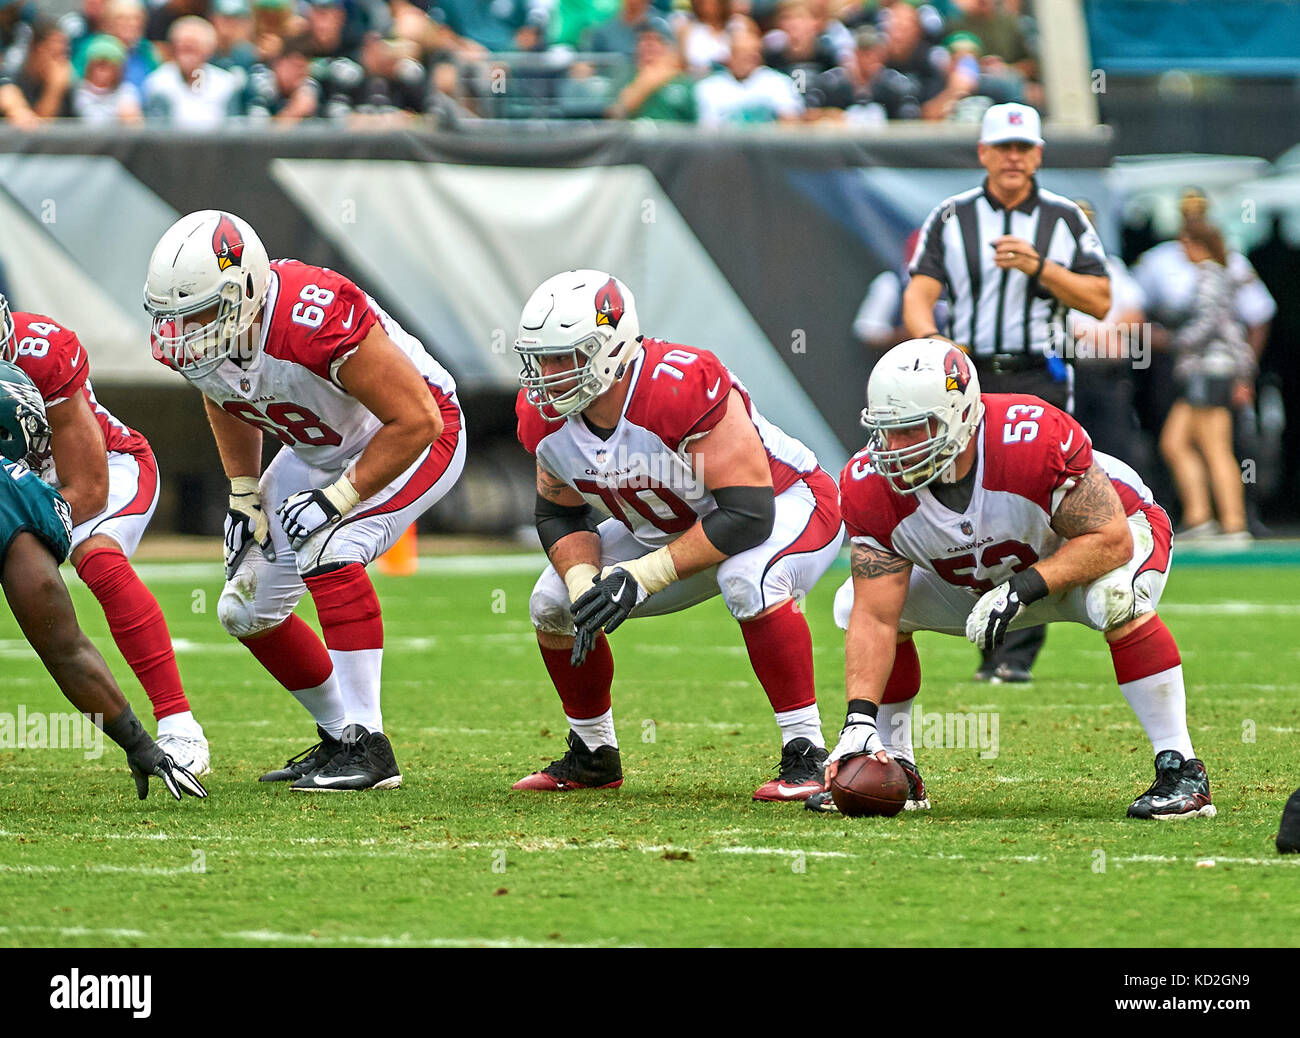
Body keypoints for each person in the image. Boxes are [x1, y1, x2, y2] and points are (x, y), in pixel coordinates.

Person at [807, 338, 1214, 820]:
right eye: (888, 432)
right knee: (851, 602)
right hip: (986, 579)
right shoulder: (869, 483)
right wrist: (858, 718)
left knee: (1115, 598)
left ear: (959, 416)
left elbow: (1111, 540)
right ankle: (895, 761)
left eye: (914, 429)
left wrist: (1023, 589)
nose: (896, 449)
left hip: (1097, 545)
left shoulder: (1030, 436)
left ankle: (1180, 767)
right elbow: (876, 614)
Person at [143, 210, 465, 791]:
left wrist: (339, 497)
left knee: (330, 547)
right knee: (244, 609)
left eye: (202, 316)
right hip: (318, 448)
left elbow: (416, 417)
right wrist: (244, 490)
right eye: (178, 319)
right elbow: (223, 393)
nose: (188, 334)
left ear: (245, 291)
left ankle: (370, 749)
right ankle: (340, 735)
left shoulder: (312, 315)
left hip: (417, 433)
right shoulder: (210, 340)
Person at [512, 270, 843, 801]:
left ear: (612, 347)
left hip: (786, 501)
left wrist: (642, 576)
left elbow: (747, 513)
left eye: (563, 357)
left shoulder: (680, 385)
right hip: (668, 524)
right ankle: (594, 754)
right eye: (540, 358)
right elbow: (560, 515)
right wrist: (582, 584)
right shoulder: (543, 417)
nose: (547, 375)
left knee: (747, 579)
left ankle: (806, 752)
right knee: (552, 603)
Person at [903, 101, 1110, 684]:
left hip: (1037, 372)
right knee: (963, 496)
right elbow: (919, 294)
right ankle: (974, 625)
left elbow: (1099, 299)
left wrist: (1040, 266)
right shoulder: (952, 216)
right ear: (984, 153)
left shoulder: (1065, 218)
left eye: (1024, 148)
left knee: (1036, 505)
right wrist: (934, 345)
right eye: (1003, 148)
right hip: (964, 373)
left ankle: (1015, 651)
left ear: (1039, 154)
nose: (1014, 158)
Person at [4, 291, 211, 770]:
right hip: (14, 486)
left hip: (102, 470)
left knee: (97, 559)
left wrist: (20, 532)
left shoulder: (41, 353)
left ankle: (180, 727)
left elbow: (89, 488)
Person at [1157, 220, 1254, 542]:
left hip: (1209, 369)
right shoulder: (1222, 274)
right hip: (1208, 369)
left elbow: (1209, 323)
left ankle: (1233, 523)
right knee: (1175, 442)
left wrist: (1171, 340)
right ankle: (1200, 516)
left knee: (1215, 446)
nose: (1183, 251)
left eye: (1185, 244)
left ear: (1197, 244)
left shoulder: (1210, 275)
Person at [142, 15, 243, 126]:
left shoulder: (226, 83)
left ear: (208, 49)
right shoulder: (157, 82)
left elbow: (233, 131)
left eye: (192, 48)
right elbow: (156, 132)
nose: (187, 55)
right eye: (182, 47)